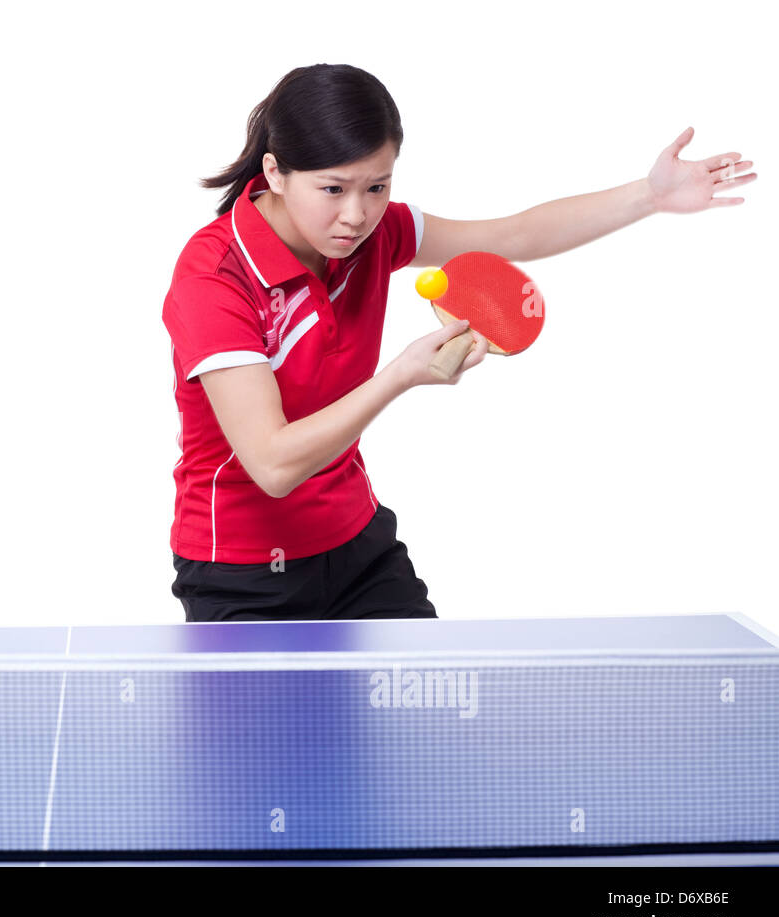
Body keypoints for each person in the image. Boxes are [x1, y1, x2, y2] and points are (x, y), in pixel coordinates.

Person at [162, 63, 754, 622]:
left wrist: (648, 196)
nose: (356, 214)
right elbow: (271, 462)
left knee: (423, 722)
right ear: (274, 173)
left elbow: (512, 234)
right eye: (333, 188)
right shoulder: (215, 278)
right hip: (239, 569)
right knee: (263, 736)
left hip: (357, 544)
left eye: (377, 186)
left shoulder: (378, 233)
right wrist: (400, 375)